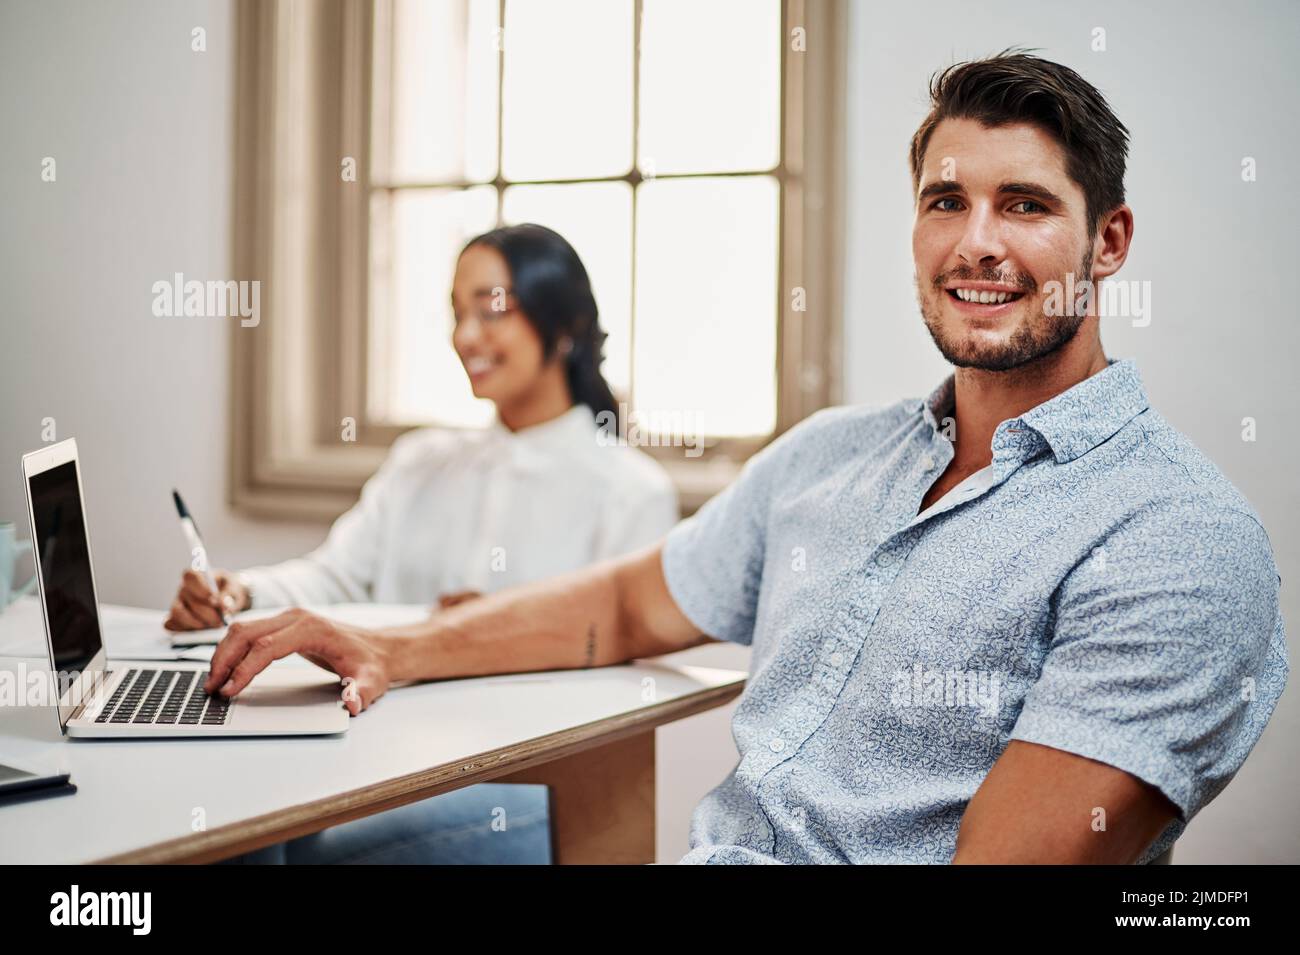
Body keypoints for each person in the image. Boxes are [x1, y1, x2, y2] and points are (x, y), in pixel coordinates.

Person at [201, 51, 1288, 864]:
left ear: (1109, 241)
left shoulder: (1175, 540)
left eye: (1026, 205)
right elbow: (623, 607)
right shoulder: (828, 458)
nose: (976, 243)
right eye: (945, 201)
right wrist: (395, 649)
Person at [166, 223, 678, 863]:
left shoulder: (628, 491)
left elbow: (626, 683)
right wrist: (242, 592)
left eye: (491, 310)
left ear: (563, 325)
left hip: (515, 773)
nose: (466, 336)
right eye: (456, 313)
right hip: (366, 743)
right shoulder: (423, 462)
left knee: (280, 846)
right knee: (235, 826)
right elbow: (336, 578)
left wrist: (491, 630)